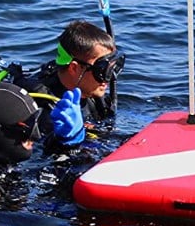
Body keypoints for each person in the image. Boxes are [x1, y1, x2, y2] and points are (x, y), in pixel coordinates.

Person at [12, 19, 125, 148]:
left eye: (113, 68)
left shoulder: (91, 90)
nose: (109, 78)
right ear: (74, 68)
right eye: (102, 70)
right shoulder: (44, 110)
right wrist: (67, 141)